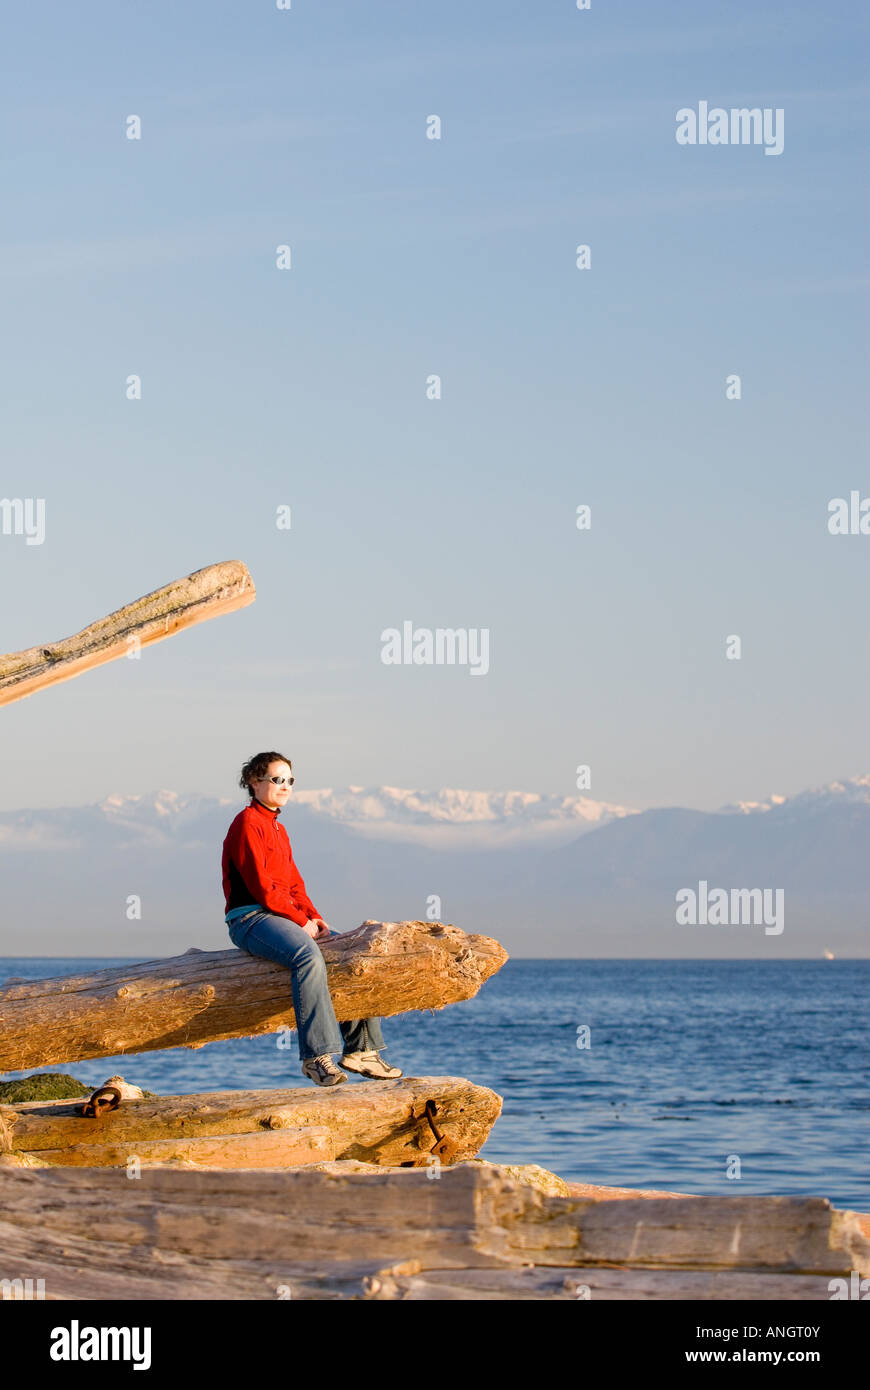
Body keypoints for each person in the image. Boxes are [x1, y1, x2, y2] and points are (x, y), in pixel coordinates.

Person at [222, 750, 402, 1087]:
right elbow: (263, 890)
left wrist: (315, 919)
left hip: (283, 916)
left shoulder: (279, 830)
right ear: (254, 781)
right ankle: (316, 1058)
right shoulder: (247, 823)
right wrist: (299, 921)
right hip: (250, 919)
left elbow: (294, 885)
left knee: (351, 950)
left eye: (290, 780)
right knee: (307, 956)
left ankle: (362, 1049)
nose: (285, 786)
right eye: (277, 779)